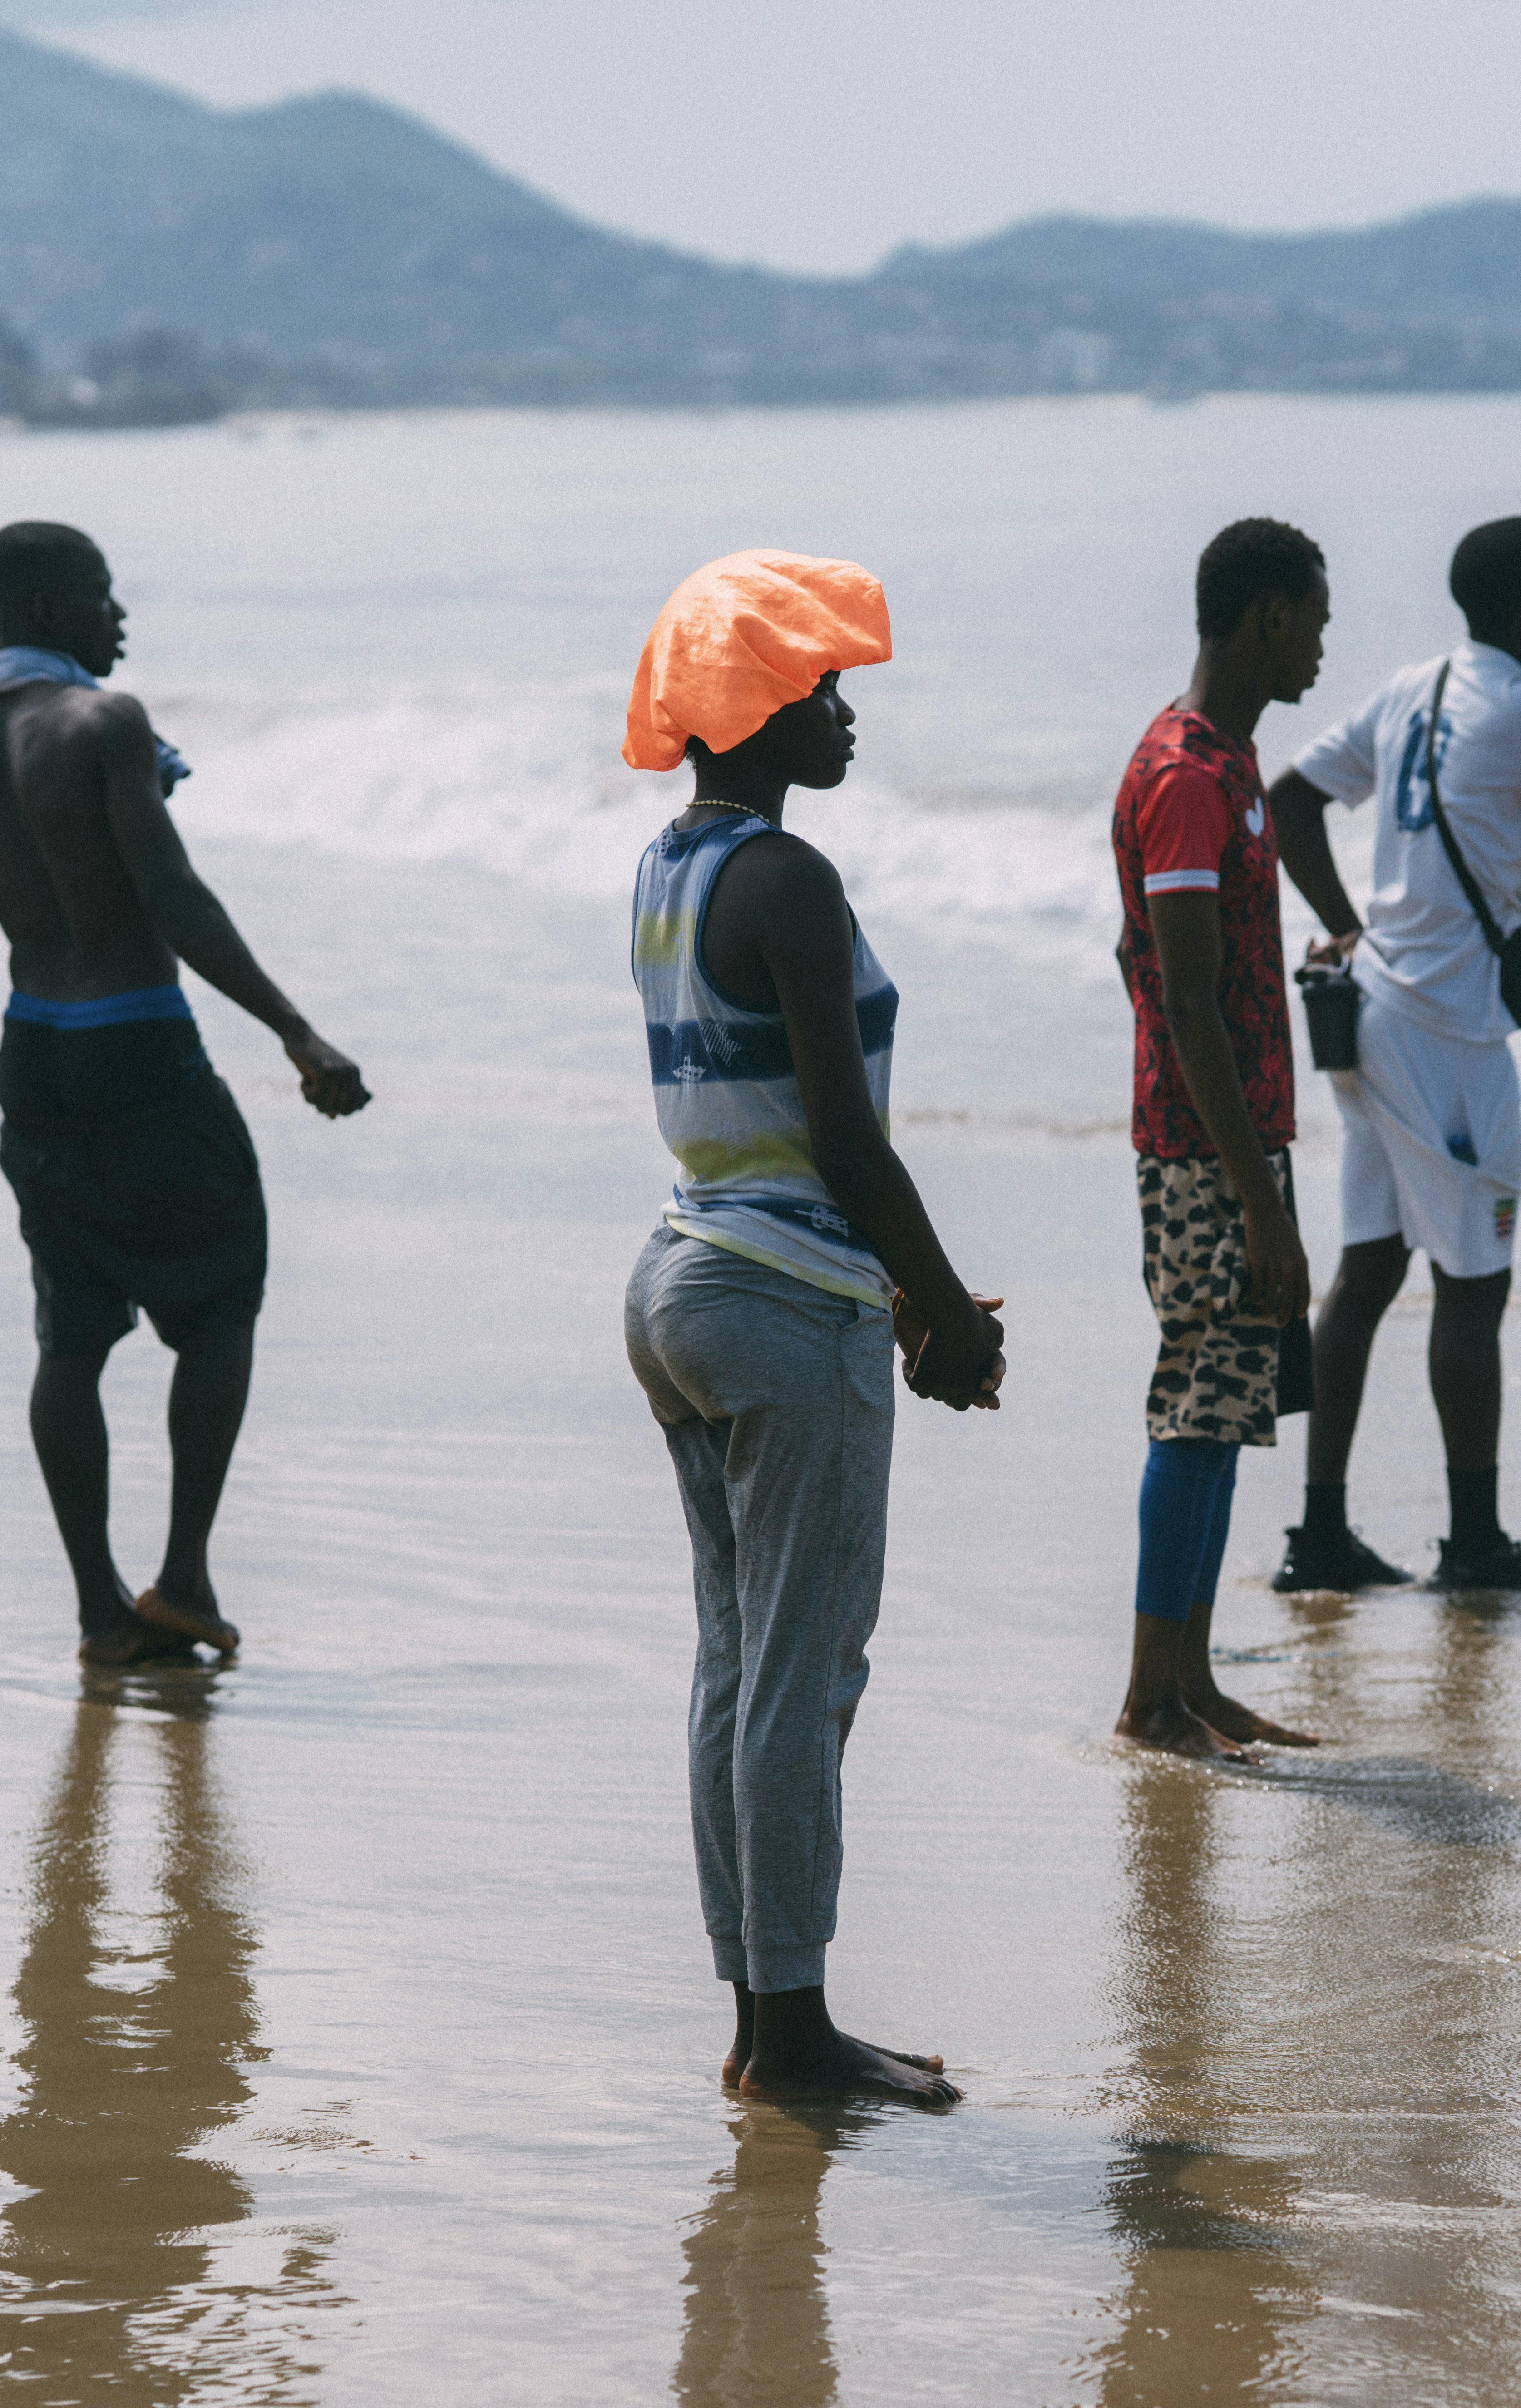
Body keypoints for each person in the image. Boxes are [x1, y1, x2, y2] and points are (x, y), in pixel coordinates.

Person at [617, 551, 1002, 2105]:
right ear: (763, 706)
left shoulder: (675, 862)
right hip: (786, 1300)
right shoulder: (789, 880)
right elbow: (847, 1142)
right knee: (798, 1676)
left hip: (686, 1276)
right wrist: (938, 1305)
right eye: (825, 689)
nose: (847, 716)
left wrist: (901, 1281)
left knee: (739, 1667)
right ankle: (790, 2034)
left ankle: (764, 2012)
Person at [0, 523, 369, 1670]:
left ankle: (98, 1611)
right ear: (54, 603)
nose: (121, 619)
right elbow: (168, 891)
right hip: (137, 1044)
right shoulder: (105, 724)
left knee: (71, 1333)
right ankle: (187, 1573)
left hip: (34, 1062)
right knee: (221, 1295)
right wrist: (294, 1029)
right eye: (105, 597)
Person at [1263, 516, 1521, 1596]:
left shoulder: (1415, 684)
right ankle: (1475, 1539)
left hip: (1368, 1011)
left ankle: (1321, 1534)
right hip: (1450, 1033)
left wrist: (1347, 924)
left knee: (1366, 1273)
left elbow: (1291, 800)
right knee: (1472, 1284)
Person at [1109, 519, 1333, 1761]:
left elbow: (1135, 956)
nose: (1321, 646)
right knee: (1197, 1408)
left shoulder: (1227, 759)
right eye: (1315, 620)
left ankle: (1190, 1682)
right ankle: (1152, 1700)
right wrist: (1258, 1200)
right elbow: (1185, 995)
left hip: (1234, 1139)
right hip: (1205, 1151)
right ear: (1265, 618)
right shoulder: (1190, 780)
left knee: (1228, 1403)